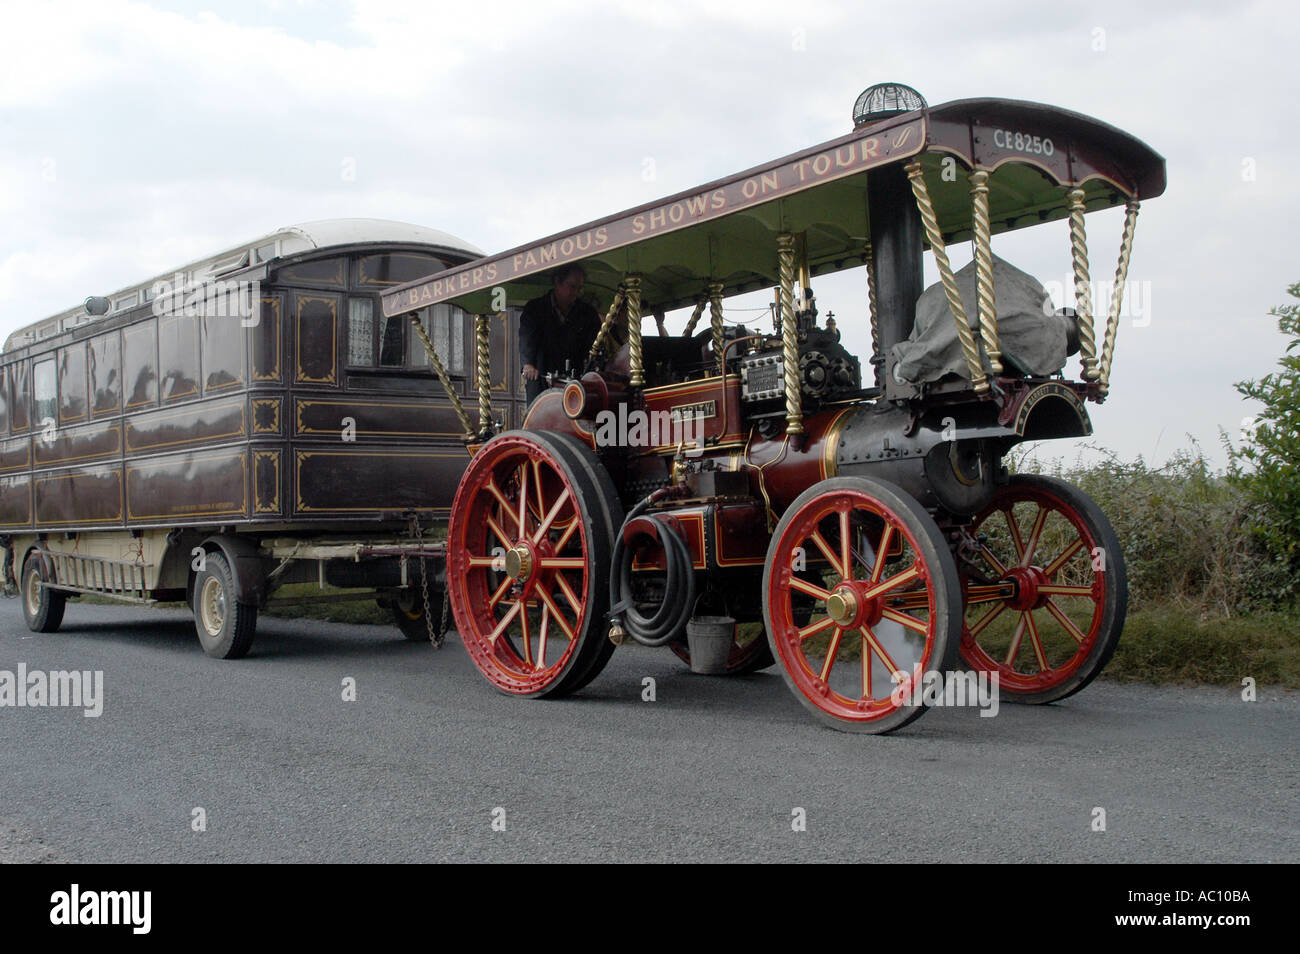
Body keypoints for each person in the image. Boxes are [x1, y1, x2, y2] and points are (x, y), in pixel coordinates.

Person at [518, 263, 602, 406]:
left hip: (576, 380)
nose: (575, 292)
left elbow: (595, 344)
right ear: (557, 282)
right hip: (541, 378)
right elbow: (527, 338)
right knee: (539, 416)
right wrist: (528, 364)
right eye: (572, 286)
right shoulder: (535, 308)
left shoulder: (587, 313)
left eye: (579, 288)